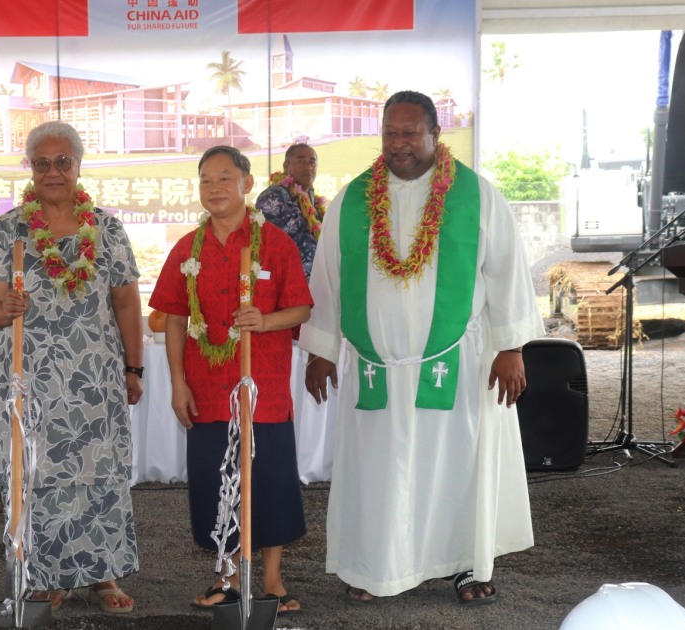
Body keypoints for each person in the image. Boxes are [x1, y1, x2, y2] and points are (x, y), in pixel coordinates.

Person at [299, 90, 544, 605]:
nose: (399, 143)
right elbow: (327, 278)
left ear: (435, 135)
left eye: (411, 132)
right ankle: (375, 568)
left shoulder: (476, 195)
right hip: (375, 365)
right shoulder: (352, 199)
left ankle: (464, 566)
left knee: (457, 469)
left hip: (455, 363)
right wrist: (321, 349)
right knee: (377, 472)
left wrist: (511, 346)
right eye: (391, 132)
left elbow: (506, 271)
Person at [0, 120, 142, 614]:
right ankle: (42, 576)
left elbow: (127, 304)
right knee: (34, 474)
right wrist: (2, 310)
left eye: (62, 162)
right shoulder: (9, 229)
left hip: (96, 379)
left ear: (78, 166)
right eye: (41, 163)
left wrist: (135, 368)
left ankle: (102, 575)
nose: (52, 172)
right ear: (30, 169)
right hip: (29, 382)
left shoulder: (105, 229)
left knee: (99, 473)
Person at [149, 145, 312, 616]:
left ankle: (274, 583)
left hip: (263, 390)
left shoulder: (274, 243)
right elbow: (174, 319)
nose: (214, 187)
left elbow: (300, 308)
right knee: (215, 484)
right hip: (207, 391)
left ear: (246, 183)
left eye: (224, 177)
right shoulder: (186, 249)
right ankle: (226, 579)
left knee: (269, 482)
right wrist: (178, 384)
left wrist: (265, 320)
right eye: (205, 180)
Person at [255, 143, 325, 279]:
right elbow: (281, 240)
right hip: (286, 281)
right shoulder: (274, 195)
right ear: (286, 166)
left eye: (312, 162)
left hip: (315, 282)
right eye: (301, 161)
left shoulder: (312, 199)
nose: (308, 166)